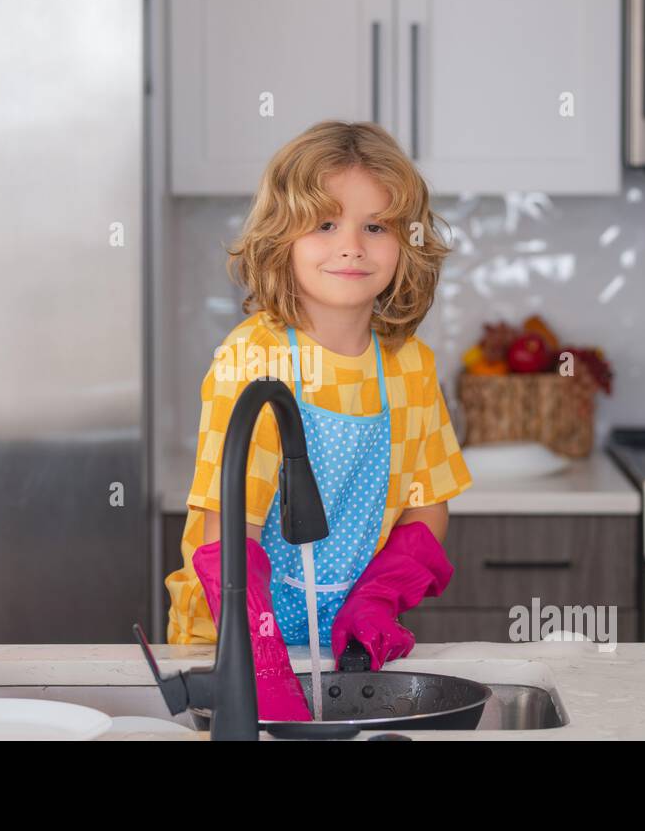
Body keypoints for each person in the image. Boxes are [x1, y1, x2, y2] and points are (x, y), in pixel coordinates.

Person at [163, 121, 474, 720]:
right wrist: (260, 668)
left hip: (345, 650)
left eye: (375, 226)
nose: (351, 246)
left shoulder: (409, 364)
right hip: (230, 646)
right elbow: (226, 534)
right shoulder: (252, 359)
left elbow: (426, 504)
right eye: (324, 224)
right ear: (281, 239)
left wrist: (377, 598)